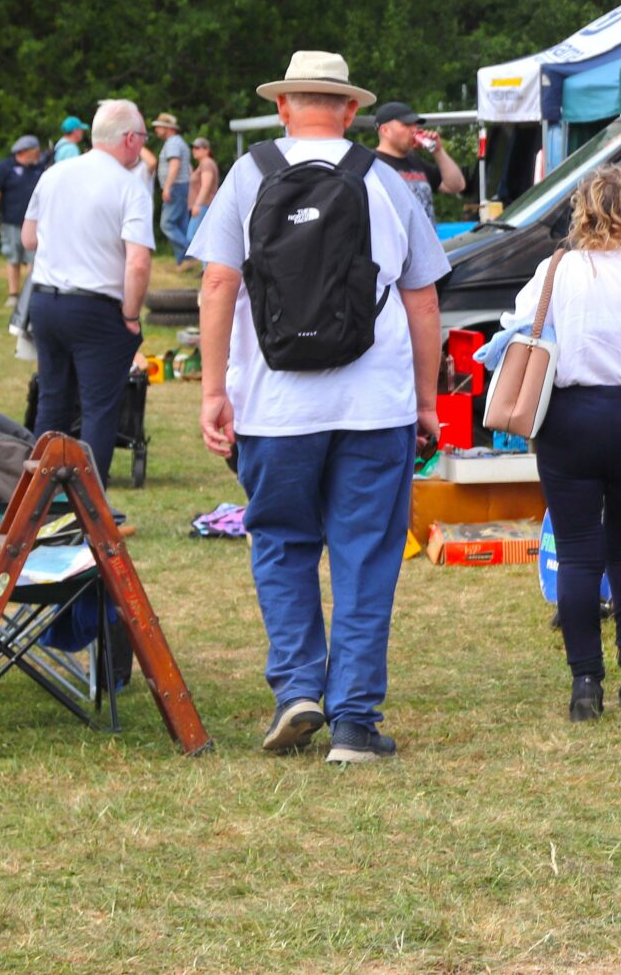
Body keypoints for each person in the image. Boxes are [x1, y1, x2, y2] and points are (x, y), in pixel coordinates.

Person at [191, 51, 450, 765]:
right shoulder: (387, 182)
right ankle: (355, 722)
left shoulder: (248, 175)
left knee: (280, 543)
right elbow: (423, 297)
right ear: (349, 110)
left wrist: (217, 390)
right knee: (366, 555)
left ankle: (298, 689)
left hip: (275, 406)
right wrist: (426, 401)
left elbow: (218, 286)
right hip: (374, 404)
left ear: (282, 107)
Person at [506, 164, 621, 721]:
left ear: (582, 210)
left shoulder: (553, 270)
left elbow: (519, 332)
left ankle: (585, 684)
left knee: (580, 556)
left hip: (572, 418)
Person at [21, 101, 154, 486]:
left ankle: (37, 495)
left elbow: (29, 237)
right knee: (99, 408)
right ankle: (86, 501)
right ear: (130, 139)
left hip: (46, 301)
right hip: (97, 307)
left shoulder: (54, 173)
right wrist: (130, 315)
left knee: (52, 401)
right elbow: (139, 263)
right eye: (143, 137)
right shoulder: (131, 186)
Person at [371, 101, 466, 228]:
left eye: (415, 125)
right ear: (385, 130)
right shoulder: (372, 163)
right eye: (407, 125)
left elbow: (456, 186)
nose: (415, 130)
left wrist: (438, 151)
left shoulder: (416, 162)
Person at [0, 135, 44, 304]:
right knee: (12, 258)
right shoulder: (6, 167)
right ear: (24, 152)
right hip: (11, 221)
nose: (38, 156)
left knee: (33, 260)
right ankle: (13, 295)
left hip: (34, 224)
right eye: (35, 152)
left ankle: (30, 295)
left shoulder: (40, 167)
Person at [151, 112, 193, 265]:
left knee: (167, 224)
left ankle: (189, 252)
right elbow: (188, 167)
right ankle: (183, 261)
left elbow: (174, 166)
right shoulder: (179, 142)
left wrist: (167, 187)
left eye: (159, 127)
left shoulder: (173, 143)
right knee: (181, 224)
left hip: (176, 187)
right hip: (182, 186)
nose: (156, 130)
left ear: (167, 128)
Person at [186, 137, 220, 251]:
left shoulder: (206, 164)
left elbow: (206, 186)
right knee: (201, 238)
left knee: (196, 237)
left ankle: (207, 267)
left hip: (204, 206)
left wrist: (197, 205)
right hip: (203, 206)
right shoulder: (204, 164)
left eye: (197, 148)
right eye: (193, 148)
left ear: (206, 150)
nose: (194, 150)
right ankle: (205, 267)